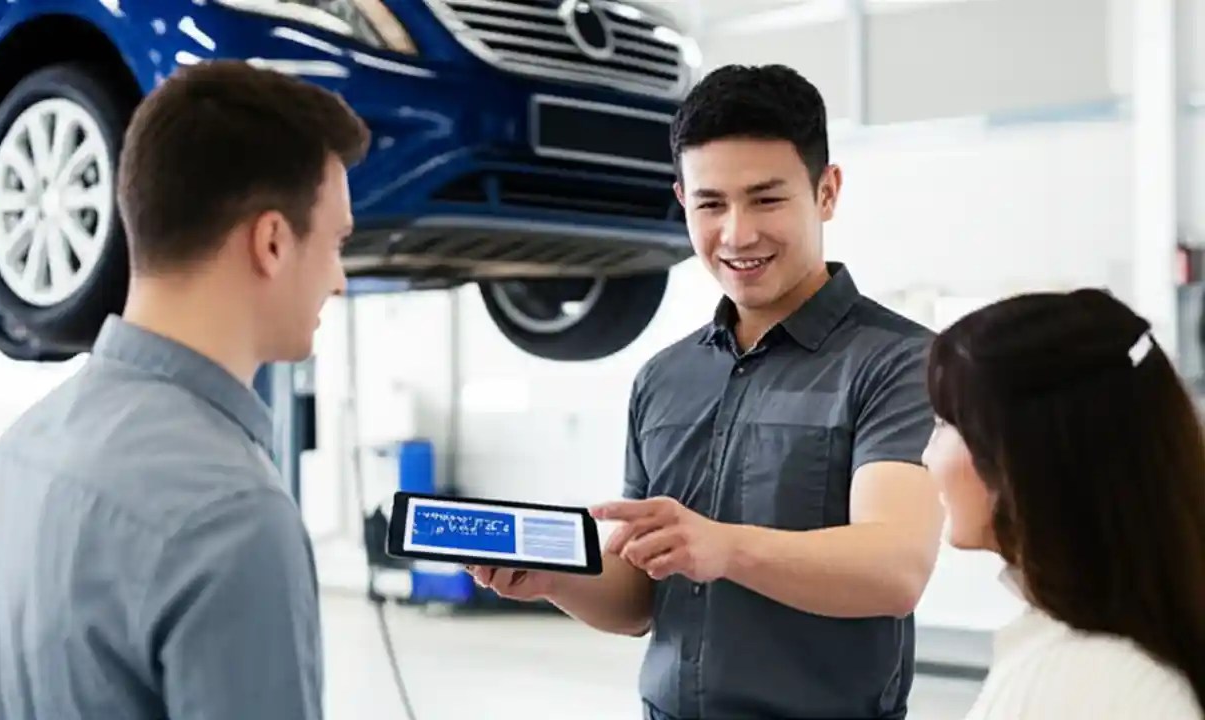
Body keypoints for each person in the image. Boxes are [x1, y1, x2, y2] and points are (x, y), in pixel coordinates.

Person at [469, 64, 945, 719]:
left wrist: (725, 546)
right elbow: (639, 600)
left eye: (767, 198)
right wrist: (555, 577)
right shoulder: (663, 379)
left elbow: (893, 567)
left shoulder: (898, 362)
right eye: (711, 204)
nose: (737, 234)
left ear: (827, 191)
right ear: (682, 200)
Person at [0, 60, 369, 719]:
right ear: (271, 241)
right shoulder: (233, 515)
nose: (339, 280)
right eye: (335, 244)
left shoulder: (21, 450)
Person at [922, 289, 1205, 719]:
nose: (927, 455)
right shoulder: (1094, 661)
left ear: (1021, 459)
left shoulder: (1089, 680)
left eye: (945, 425)